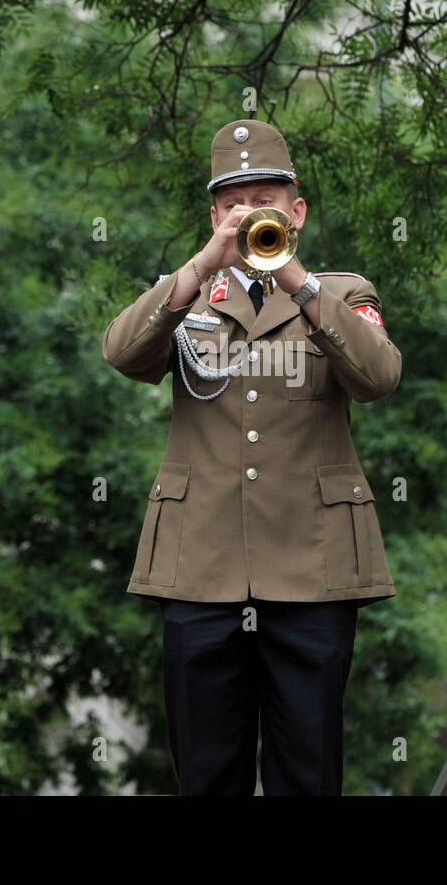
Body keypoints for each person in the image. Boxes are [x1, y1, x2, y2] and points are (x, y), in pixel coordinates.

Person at [101, 118, 401, 794]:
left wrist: (295, 279)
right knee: (206, 775)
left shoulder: (342, 294)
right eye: (234, 203)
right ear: (213, 216)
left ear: (296, 212)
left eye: (263, 199)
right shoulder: (186, 297)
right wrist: (203, 265)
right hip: (200, 568)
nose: (247, 214)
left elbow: (379, 377)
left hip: (313, 571)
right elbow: (121, 353)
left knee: (308, 773)